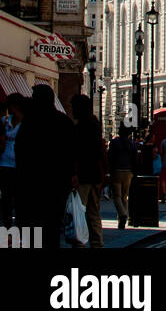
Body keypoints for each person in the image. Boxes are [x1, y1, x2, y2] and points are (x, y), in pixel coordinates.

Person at [14, 84, 77, 246]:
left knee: (28, 230)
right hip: (56, 186)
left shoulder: (29, 123)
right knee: (51, 229)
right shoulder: (64, 122)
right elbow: (72, 154)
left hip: (31, 185)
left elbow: (20, 152)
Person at [69, 94, 106, 248]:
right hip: (95, 175)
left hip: (82, 175)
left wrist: (74, 173)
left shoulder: (80, 128)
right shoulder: (95, 125)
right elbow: (101, 152)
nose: (72, 110)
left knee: (78, 211)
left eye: (73, 107)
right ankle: (97, 242)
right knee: (94, 212)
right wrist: (103, 175)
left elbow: (75, 153)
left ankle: (79, 242)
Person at [0, 93, 25, 227]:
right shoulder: (4, 121)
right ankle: (8, 231)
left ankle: (22, 233)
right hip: (4, 165)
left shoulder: (26, 124)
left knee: (20, 200)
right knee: (6, 200)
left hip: (19, 165)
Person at [108, 125, 138, 230]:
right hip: (128, 172)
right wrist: (134, 172)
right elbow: (135, 159)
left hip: (117, 171)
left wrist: (109, 171)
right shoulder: (132, 143)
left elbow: (110, 157)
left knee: (116, 196)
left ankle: (122, 214)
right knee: (124, 197)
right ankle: (122, 222)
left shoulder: (114, 142)